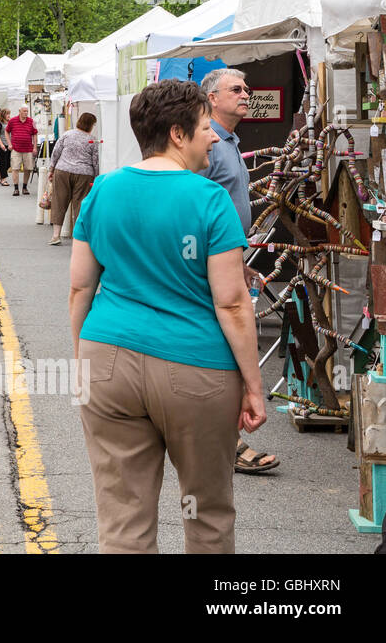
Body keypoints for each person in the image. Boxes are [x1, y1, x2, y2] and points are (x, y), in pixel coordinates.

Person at [70, 78, 266, 553]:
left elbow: (80, 286)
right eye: (205, 126)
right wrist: (253, 385)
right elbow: (233, 302)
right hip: (196, 369)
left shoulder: (104, 191)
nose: (214, 137)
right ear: (178, 134)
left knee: (122, 518)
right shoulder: (209, 199)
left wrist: (82, 362)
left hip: (108, 360)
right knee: (207, 512)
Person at [200, 67, 281, 477]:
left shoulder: (228, 140)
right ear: (212, 98)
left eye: (247, 88)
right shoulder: (207, 142)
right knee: (224, 352)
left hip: (230, 261)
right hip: (211, 266)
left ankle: (222, 440)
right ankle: (225, 443)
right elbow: (196, 206)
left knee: (225, 352)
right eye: (237, 89)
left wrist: (242, 264)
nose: (246, 94)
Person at [47, 112, 99, 246]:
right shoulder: (92, 139)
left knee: (59, 202)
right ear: (90, 125)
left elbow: (56, 152)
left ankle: (55, 236)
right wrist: (97, 176)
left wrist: (51, 169)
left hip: (63, 170)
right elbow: (95, 161)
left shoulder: (67, 134)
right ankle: (78, 238)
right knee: (80, 205)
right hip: (84, 174)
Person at [7, 104, 39, 196]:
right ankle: (16, 188)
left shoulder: (31, 121)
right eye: (24, 111)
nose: (26, 113)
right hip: (16, 149)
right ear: (19, 111)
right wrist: (9, 143)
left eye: (27, 111)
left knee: (28, 168)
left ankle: (24, 187)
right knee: (15, 168)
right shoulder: (13, 121)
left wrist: (35, 147)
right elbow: (7, 131)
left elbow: (34, 134)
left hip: (28, 149)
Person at [0, 109, 12, 186]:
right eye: (7, 114)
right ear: (3, 115)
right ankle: (3, 180)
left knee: (9, 163)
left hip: (8, 145)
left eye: (9, 114)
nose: (9, 116)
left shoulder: (9, 123)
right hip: (1, 145)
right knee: (3, 163)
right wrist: (1, 145)